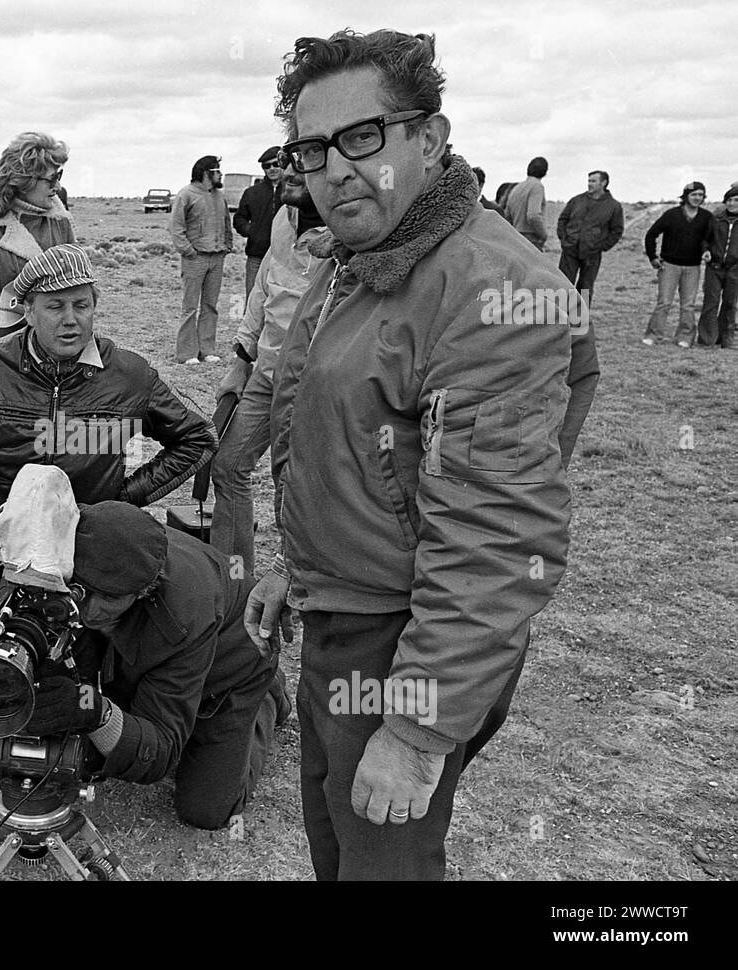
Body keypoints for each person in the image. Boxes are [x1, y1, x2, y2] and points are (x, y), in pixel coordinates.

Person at [248, 29, 598, 881]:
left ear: (430, 139)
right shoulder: (363, 258)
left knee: (380, 863)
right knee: (340, 846)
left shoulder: (486, 289)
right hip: (349, 608)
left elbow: (497, 537)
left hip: (404, 638)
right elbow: (354, 440)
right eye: (314, 148)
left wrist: (414, 729)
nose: (335, 168)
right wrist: (306, 562)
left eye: (362, 137)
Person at [0, 244, 218, 676]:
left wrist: (123, 500)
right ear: (29, 311)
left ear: (96, 306)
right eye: (54, 306)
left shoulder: (130, 375)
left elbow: (197, 437)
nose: (71, 319)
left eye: (82, 304)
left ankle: (86, 703)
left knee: (107, 628)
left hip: (88, 534)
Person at [12, 497, 285, 829]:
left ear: (143, 592)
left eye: (108, 599)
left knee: (206, 810)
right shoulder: (81, 541)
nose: (88, 610)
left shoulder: (180, 618)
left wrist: (96, 713)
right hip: (159, 647)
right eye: (80, 590)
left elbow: (161, 752)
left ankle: (269, 697)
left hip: (234, 659)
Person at [210, 176, 326, 574]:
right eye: (284, 158)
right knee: (226, 466)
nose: (285, 169)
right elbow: (262, 289)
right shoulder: (281, 217)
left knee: (290, 488)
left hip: (314, 383)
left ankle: (292, 586)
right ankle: (233, 578)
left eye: (301, 158)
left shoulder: (349, 233)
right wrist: (240, 360)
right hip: (266, 371)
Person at [0, 131, 75, 359]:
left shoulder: (60, 222)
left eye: (60, 176)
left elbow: (78, 293)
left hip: (61, 355)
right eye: (51, 178)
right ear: (23, 180)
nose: (57, 187)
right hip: (9, 356)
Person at [170, 155, 234, 364]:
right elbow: (176, 228)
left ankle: (207, 351)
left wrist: (227, 246)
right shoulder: (185, 195)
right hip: (195, 258)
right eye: (217, 171)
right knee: (190, 307)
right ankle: (187, 354)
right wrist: (189, 251)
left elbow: (226, 223)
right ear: (206, 173)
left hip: (217, 258)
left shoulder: (219, 196)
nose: (221, 174)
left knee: (210, 306)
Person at [642, 182, 713, 347]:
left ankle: (685, 337)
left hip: (693, 267)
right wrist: (653, 257)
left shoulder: (706, 217)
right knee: (664, 302)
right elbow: (651, 235)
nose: (697, 198)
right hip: (669, 266)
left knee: (688, 305)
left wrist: (707, 251)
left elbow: (709, 239)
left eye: (701, 195)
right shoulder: (671, 215)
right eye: (694, 194)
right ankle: (653, 335)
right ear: (686, 196)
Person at [556, 170, 624, 307]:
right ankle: (560, 317)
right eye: (589, 181)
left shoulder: (613, 206)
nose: (590, 184)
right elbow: (563, 219)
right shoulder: (577, 201)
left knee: (585, 288)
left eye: (593, 181)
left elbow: (617, 230)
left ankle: (580, 319)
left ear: (603, 183)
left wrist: (603, 246)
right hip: (570, 250)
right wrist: (564, 239)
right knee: (563, 284)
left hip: (592, 253)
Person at [233, 147, 285, 297]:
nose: (272, 169)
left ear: (283, 163)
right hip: (257, 256)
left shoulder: (293, 190)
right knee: (253, 300)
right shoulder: (252, 193)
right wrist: (252, 231)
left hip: (284, 258)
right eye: (266, 166)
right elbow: (239, 218)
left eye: (275, 164)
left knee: (280, 302)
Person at [697, 185, 738, 349]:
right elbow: (705, 239)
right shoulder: (716, 219)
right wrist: (706, 251)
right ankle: (707, 340)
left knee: (729, 303)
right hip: (715, 267)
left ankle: (725, 339)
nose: (732, 203)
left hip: (735, 268)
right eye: (729, 200)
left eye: (736, 200)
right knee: (711, 302)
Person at [505, 156, 549, 249]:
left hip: (516, 239)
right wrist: (544, 235)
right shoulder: (537, 186)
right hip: (531, 240)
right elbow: (533, 215)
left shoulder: (516, 188)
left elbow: (507, 216)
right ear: (545, 172)